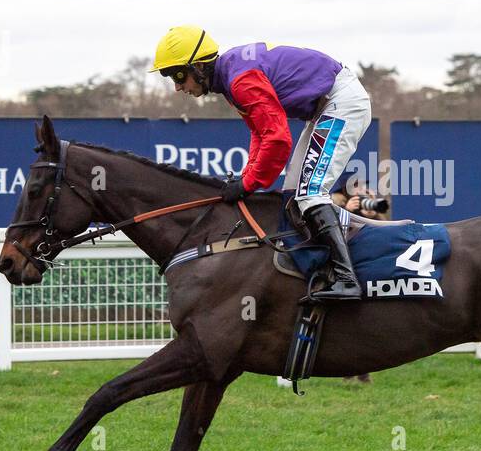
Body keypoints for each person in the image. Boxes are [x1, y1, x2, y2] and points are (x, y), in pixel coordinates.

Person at [150, 25, 372, 301]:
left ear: (198, 66)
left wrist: (247, 183)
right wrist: (247, 177)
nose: (178, 87)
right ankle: (322, 270)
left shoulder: (240, 80)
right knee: (293, 195)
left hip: (342, 102)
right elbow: (260, 133)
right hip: (325, 107)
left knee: (311, 193)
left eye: (178, 75)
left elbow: (278, 140)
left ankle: (347, 279)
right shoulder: (231, 77)